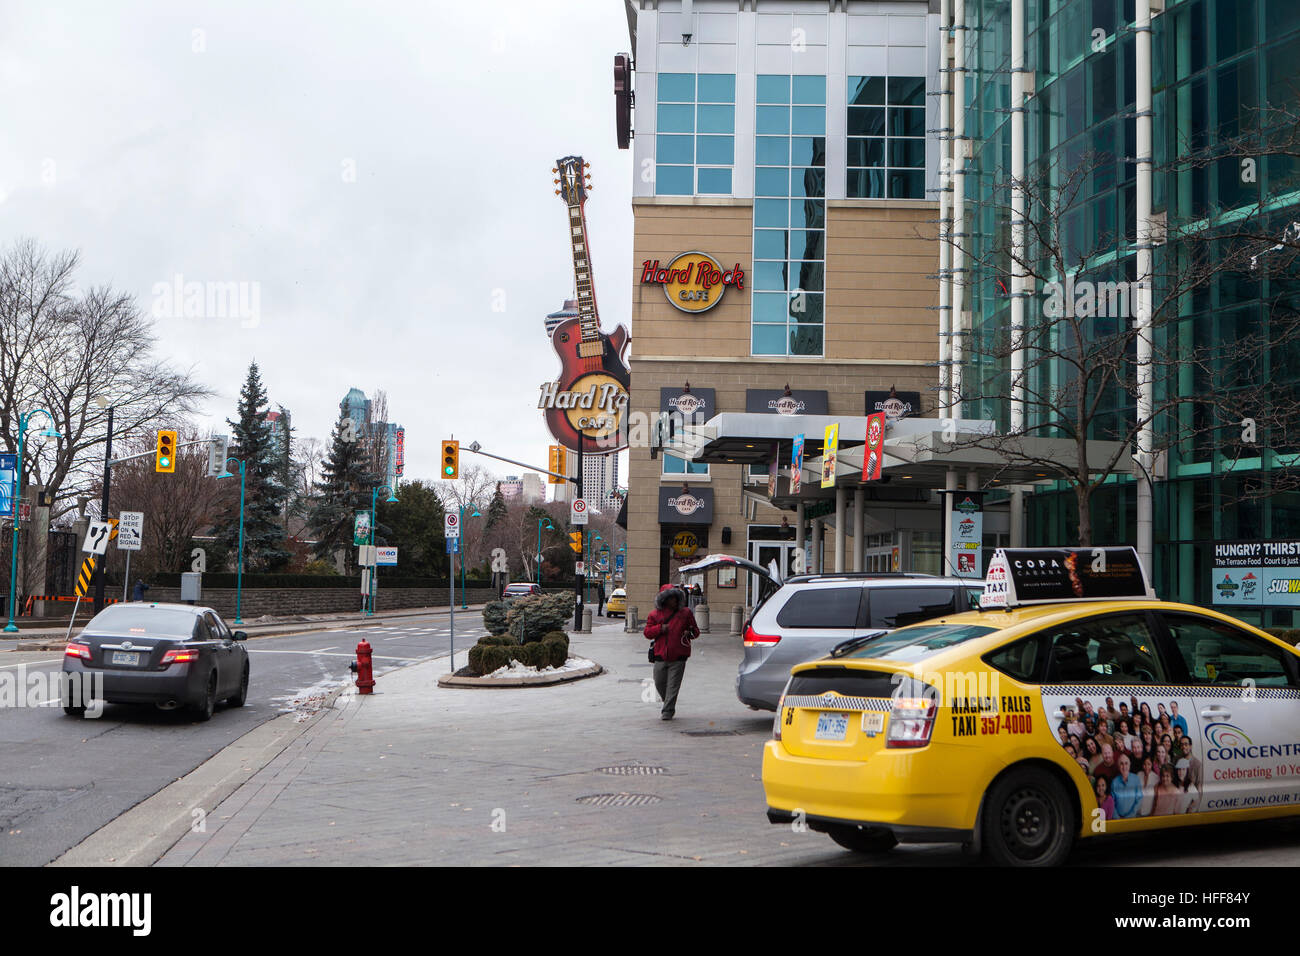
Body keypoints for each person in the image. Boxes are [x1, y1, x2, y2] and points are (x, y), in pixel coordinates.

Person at [643, 583, 699, 721]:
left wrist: (689, 633)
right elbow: (647, 632)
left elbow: (695, 631)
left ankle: (668, 710)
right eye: (671, 598)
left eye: (675, 598)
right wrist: (660, 629)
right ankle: (667, 702)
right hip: (660, 655)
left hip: (679, 655)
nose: (674, 601)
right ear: (664, 600)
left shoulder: (685, 613)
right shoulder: (654, 615)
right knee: (659, 683)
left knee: (673, 685)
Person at [1111, 754, 1143, 819]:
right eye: (1121, 764)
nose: (1124, 766)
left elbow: (1139, 799)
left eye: (1126, 763)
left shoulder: (1136, 779)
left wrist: (1130, 816)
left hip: (1132, 818)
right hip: (1118, 819)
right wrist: (1117, 818)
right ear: (1118, 766)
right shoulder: (1114, 782)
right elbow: (1112, 803)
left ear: (1129, 765)